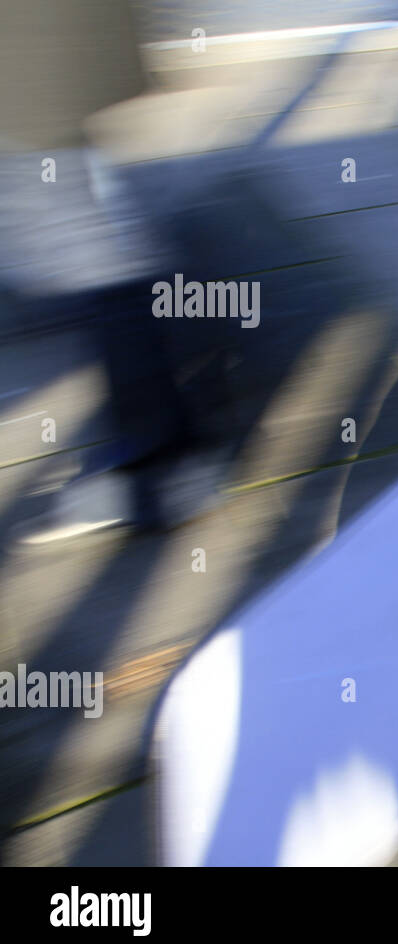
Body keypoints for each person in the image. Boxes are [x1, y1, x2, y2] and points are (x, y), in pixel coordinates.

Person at [1, 0, 221, 546]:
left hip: (38, 69)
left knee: (97, 261)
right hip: (52, 62)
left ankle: (160, 470)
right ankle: (166, 463)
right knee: (97, 251)